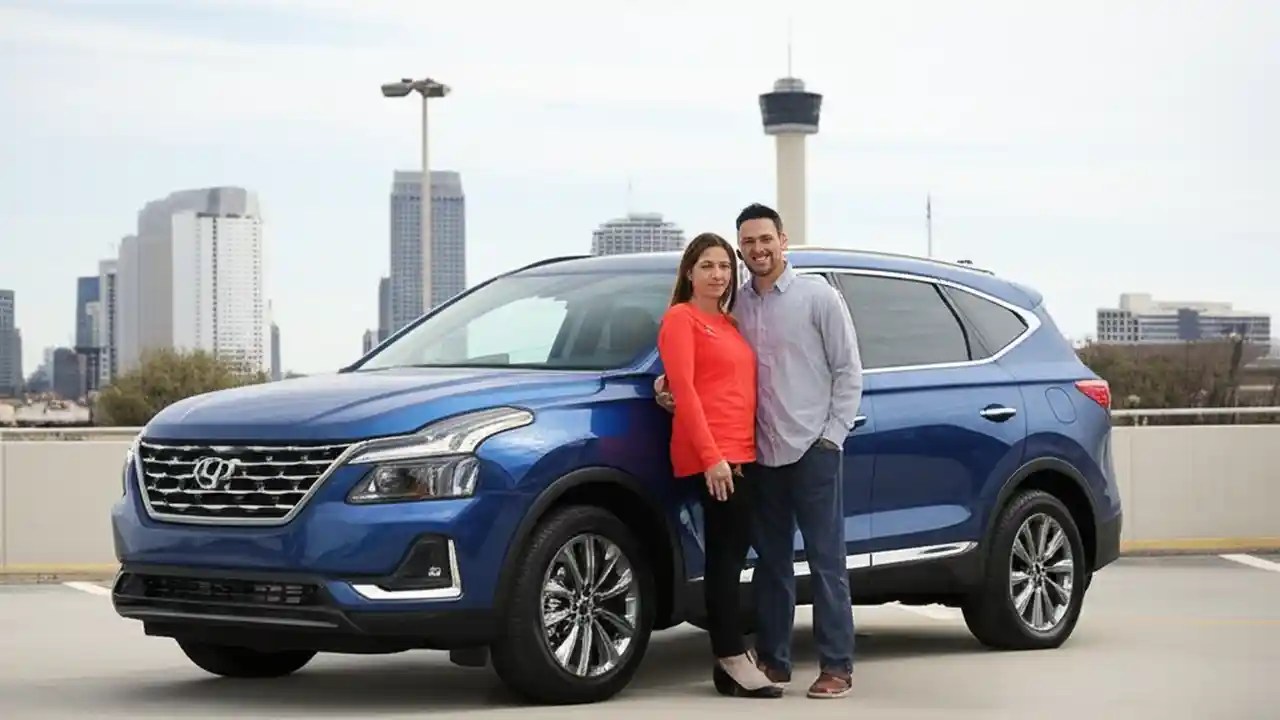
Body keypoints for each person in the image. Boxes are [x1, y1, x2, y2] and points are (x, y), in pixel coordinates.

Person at [655, 203, 863, 700]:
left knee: (826, 560)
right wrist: (667, 388)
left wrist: (831, 436)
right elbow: (703, 365)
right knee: (771, 563)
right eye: (746, 243)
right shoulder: (736, 307)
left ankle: (836, 665)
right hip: (759, 453)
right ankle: (774, 660)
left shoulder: (818, 296)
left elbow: (848, 370)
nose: (756, 250)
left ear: (783, 240)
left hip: (812, 446)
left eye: (764, 240)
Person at [656, 231, 782, 699]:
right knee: (725, 563)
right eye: (707, 265)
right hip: (714, 457)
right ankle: (731, 658)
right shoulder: (680, 319)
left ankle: (732, 661)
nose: (718, 274)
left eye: (725, 267)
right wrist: (712, 459)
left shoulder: (729, 323)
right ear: (689, 271)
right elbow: (685, 392)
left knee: (734, 557)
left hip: (744, 453)